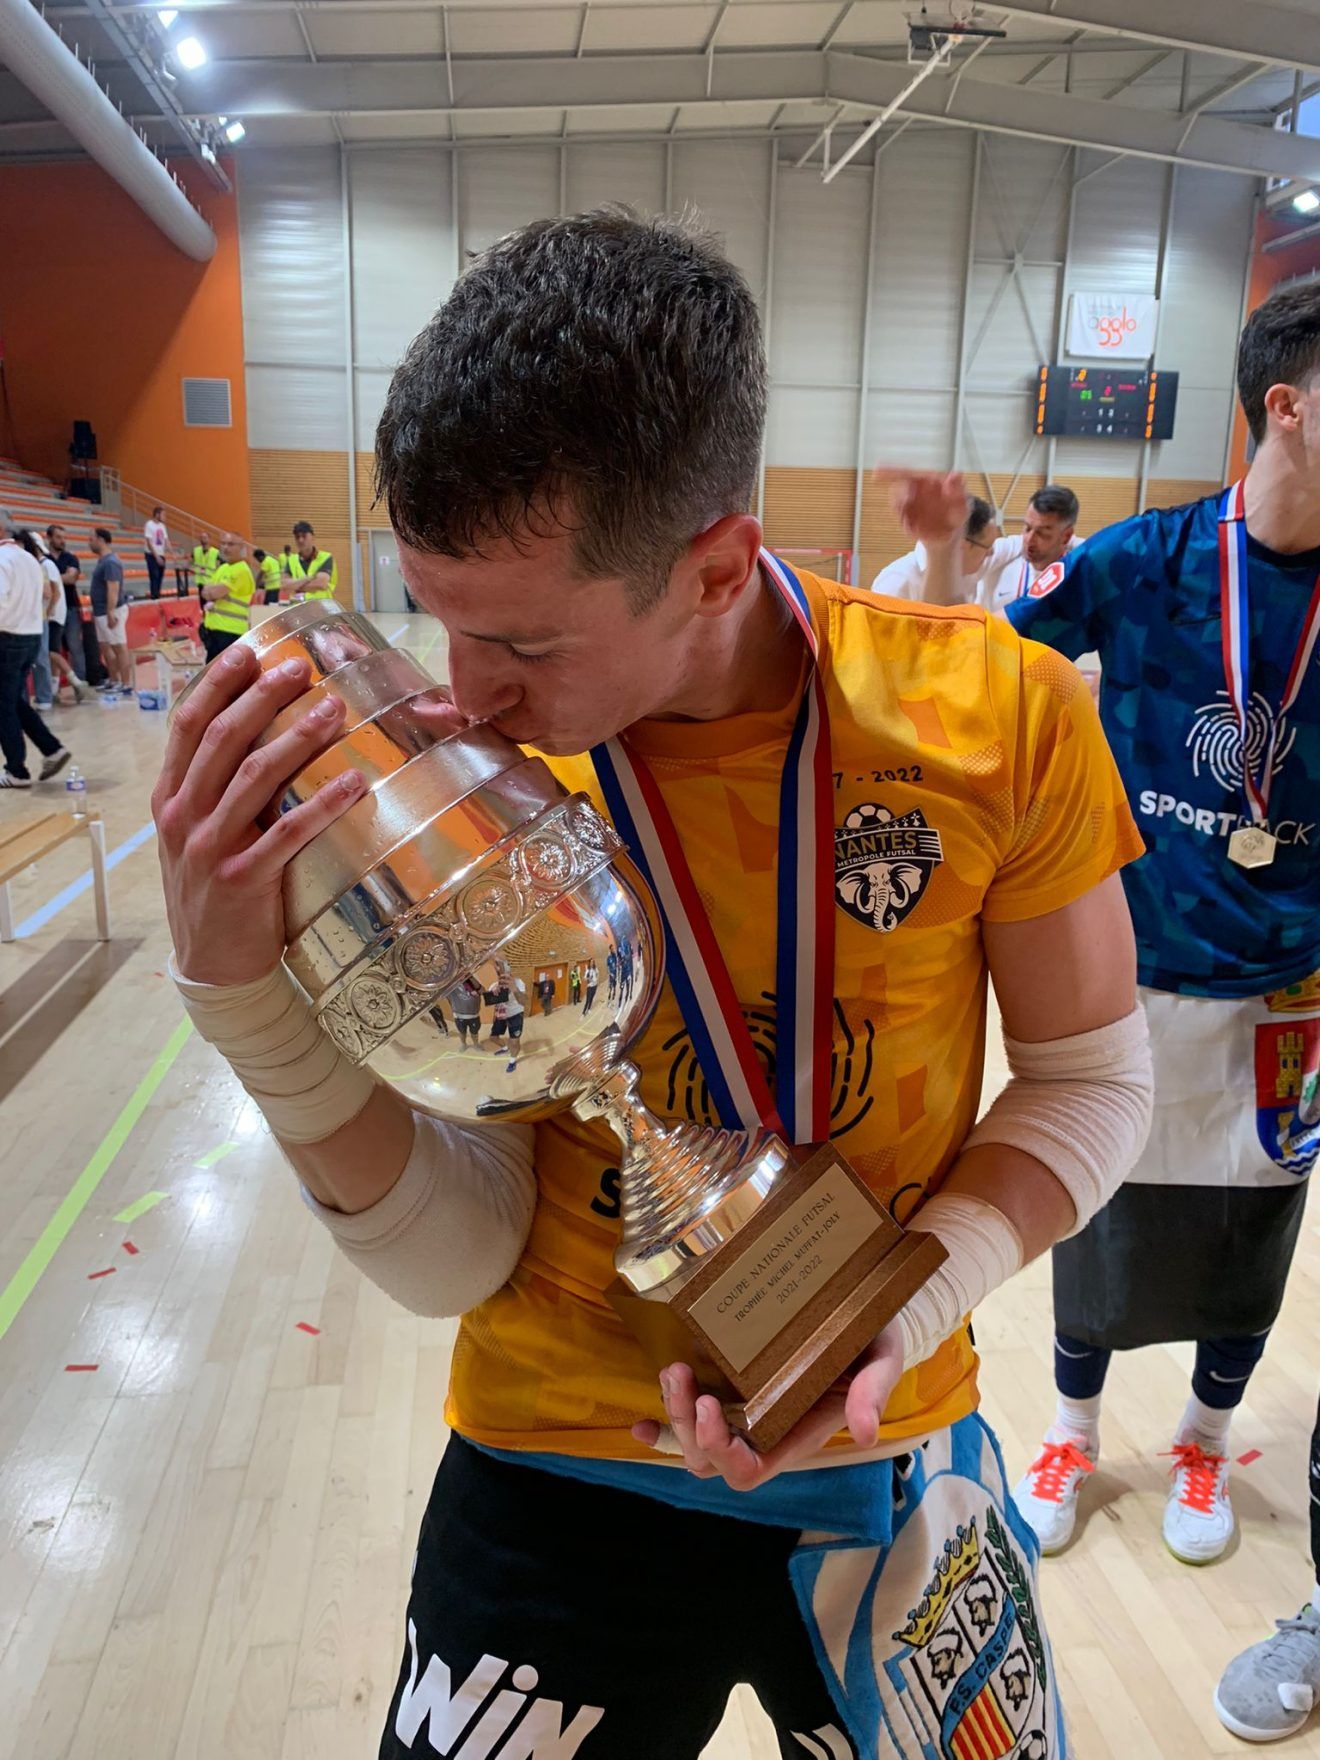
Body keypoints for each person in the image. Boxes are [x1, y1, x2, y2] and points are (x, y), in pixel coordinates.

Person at [156, 212, 1154, 1759]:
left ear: (716, 566)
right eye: (432, 613)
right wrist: (245, 1001)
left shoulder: (992, 711)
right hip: (552, 1469)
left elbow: (1096, 1084)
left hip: (891, 1440)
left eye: (520, 643)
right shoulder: (443, 785)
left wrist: (908, 1302)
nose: (457, 693)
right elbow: (449, 1261)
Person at [1005, 281, 1320, 1571]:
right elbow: (998, 658)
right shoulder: (1147, 560)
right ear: (1287, 405)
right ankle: (1072, 1428)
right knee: (1105, 1216)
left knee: (1259, 1230)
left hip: (1293, 994)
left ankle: (1203, 1431)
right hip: (1138, 975)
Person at [0, 509, 71, 788]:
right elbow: (44, 594)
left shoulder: (2, 559)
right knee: (13, 700)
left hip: (7, 638)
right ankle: (52, 748)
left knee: (4, 706)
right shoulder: (30, 559)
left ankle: (16, 770)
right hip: (31, 635)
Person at [870, 494, 1000, 603]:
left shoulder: (969, 570)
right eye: (988, 547)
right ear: (961, 545)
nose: (992, 553)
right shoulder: (897, 582)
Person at [977, 486, 1081, 616]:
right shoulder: (1006, 551)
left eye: (1042, 533)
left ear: (1066, 536)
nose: (1029, 539)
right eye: (1027, 528)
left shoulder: (1079, 566)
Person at [27, 532, 90, 706]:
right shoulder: (45, 564)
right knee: (51, 652)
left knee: (50, 651)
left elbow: (53, 591)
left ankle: (76, 681)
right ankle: (54, 690)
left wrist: (49, 612)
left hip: (53, 614)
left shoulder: (46, 565)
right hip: (54, 613)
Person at [46, 523, 96, 688]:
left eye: (64, 538)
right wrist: (62, 576)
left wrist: (51, 578)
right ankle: (54, 688)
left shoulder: (71, 558)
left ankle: (80, 683)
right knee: (53, 650)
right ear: (50, 538)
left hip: (71, 607)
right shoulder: (45, 558)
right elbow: (66, 577)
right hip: (50, 610)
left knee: (75, 645)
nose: (62, 541)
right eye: (58, 537)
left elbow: (72, 578)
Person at [88, 527, 133, 697]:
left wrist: (110, 612)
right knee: (106, 648)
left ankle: (126, 683)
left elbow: (113, 589)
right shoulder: (102, 561)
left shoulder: (111, 562)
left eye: (91, 539)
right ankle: (114, 680)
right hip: (101, 611)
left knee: (118, 647)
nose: (89, 542)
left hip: (111, 611)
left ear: (100, 540)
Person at [200, 533, 257, 661]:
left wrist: (211, 592)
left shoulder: (241, 570)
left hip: (230, 632)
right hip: (214, 631)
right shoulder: (223, 568)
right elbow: (204, 592)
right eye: (223, 543)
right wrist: (211, 591)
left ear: (241, 547)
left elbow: (214, 593)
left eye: (230, 544)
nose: (225, 547)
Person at [288, 521, 336, 598]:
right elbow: (284, 585)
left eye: (304, 536)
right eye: (297, 537)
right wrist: (308, 581)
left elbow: (321, 584)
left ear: (313, 537)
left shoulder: (326, 558)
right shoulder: (291, 560)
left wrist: (296, 585)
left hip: (320, 607)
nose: (300, 540)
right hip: (299, 607)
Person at [448, 978, 483, 1049]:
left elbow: (482, 991)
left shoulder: (472, 981)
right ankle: (463, 1044)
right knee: (462, 1032)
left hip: (474, 1015)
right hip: (459, 1016)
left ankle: (476, 1044)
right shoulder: (451, 984)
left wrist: (470, 977)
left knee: (474, 1032)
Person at [144, 505, 169, 601]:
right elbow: (149, 542)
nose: (164, 517)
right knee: (154, 575)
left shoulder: (162, 526)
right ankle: (154, 596)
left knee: (160, 576)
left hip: (161, 553)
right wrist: (156, 556)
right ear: (157, 514)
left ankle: (158, 594)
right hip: (151, 554)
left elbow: (166, 540)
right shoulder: (149, 524)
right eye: (163, 514)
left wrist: (172, 553)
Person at [191, 531, 219, 600]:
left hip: (210, 581)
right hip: (200, 581)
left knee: (210, 603)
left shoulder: (215, 552)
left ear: (209, 539)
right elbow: (191, 562)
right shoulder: (196, 550)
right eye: (201, 537)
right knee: (202, 604)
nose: (202, 539)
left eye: (205, 537)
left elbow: (218, 566)